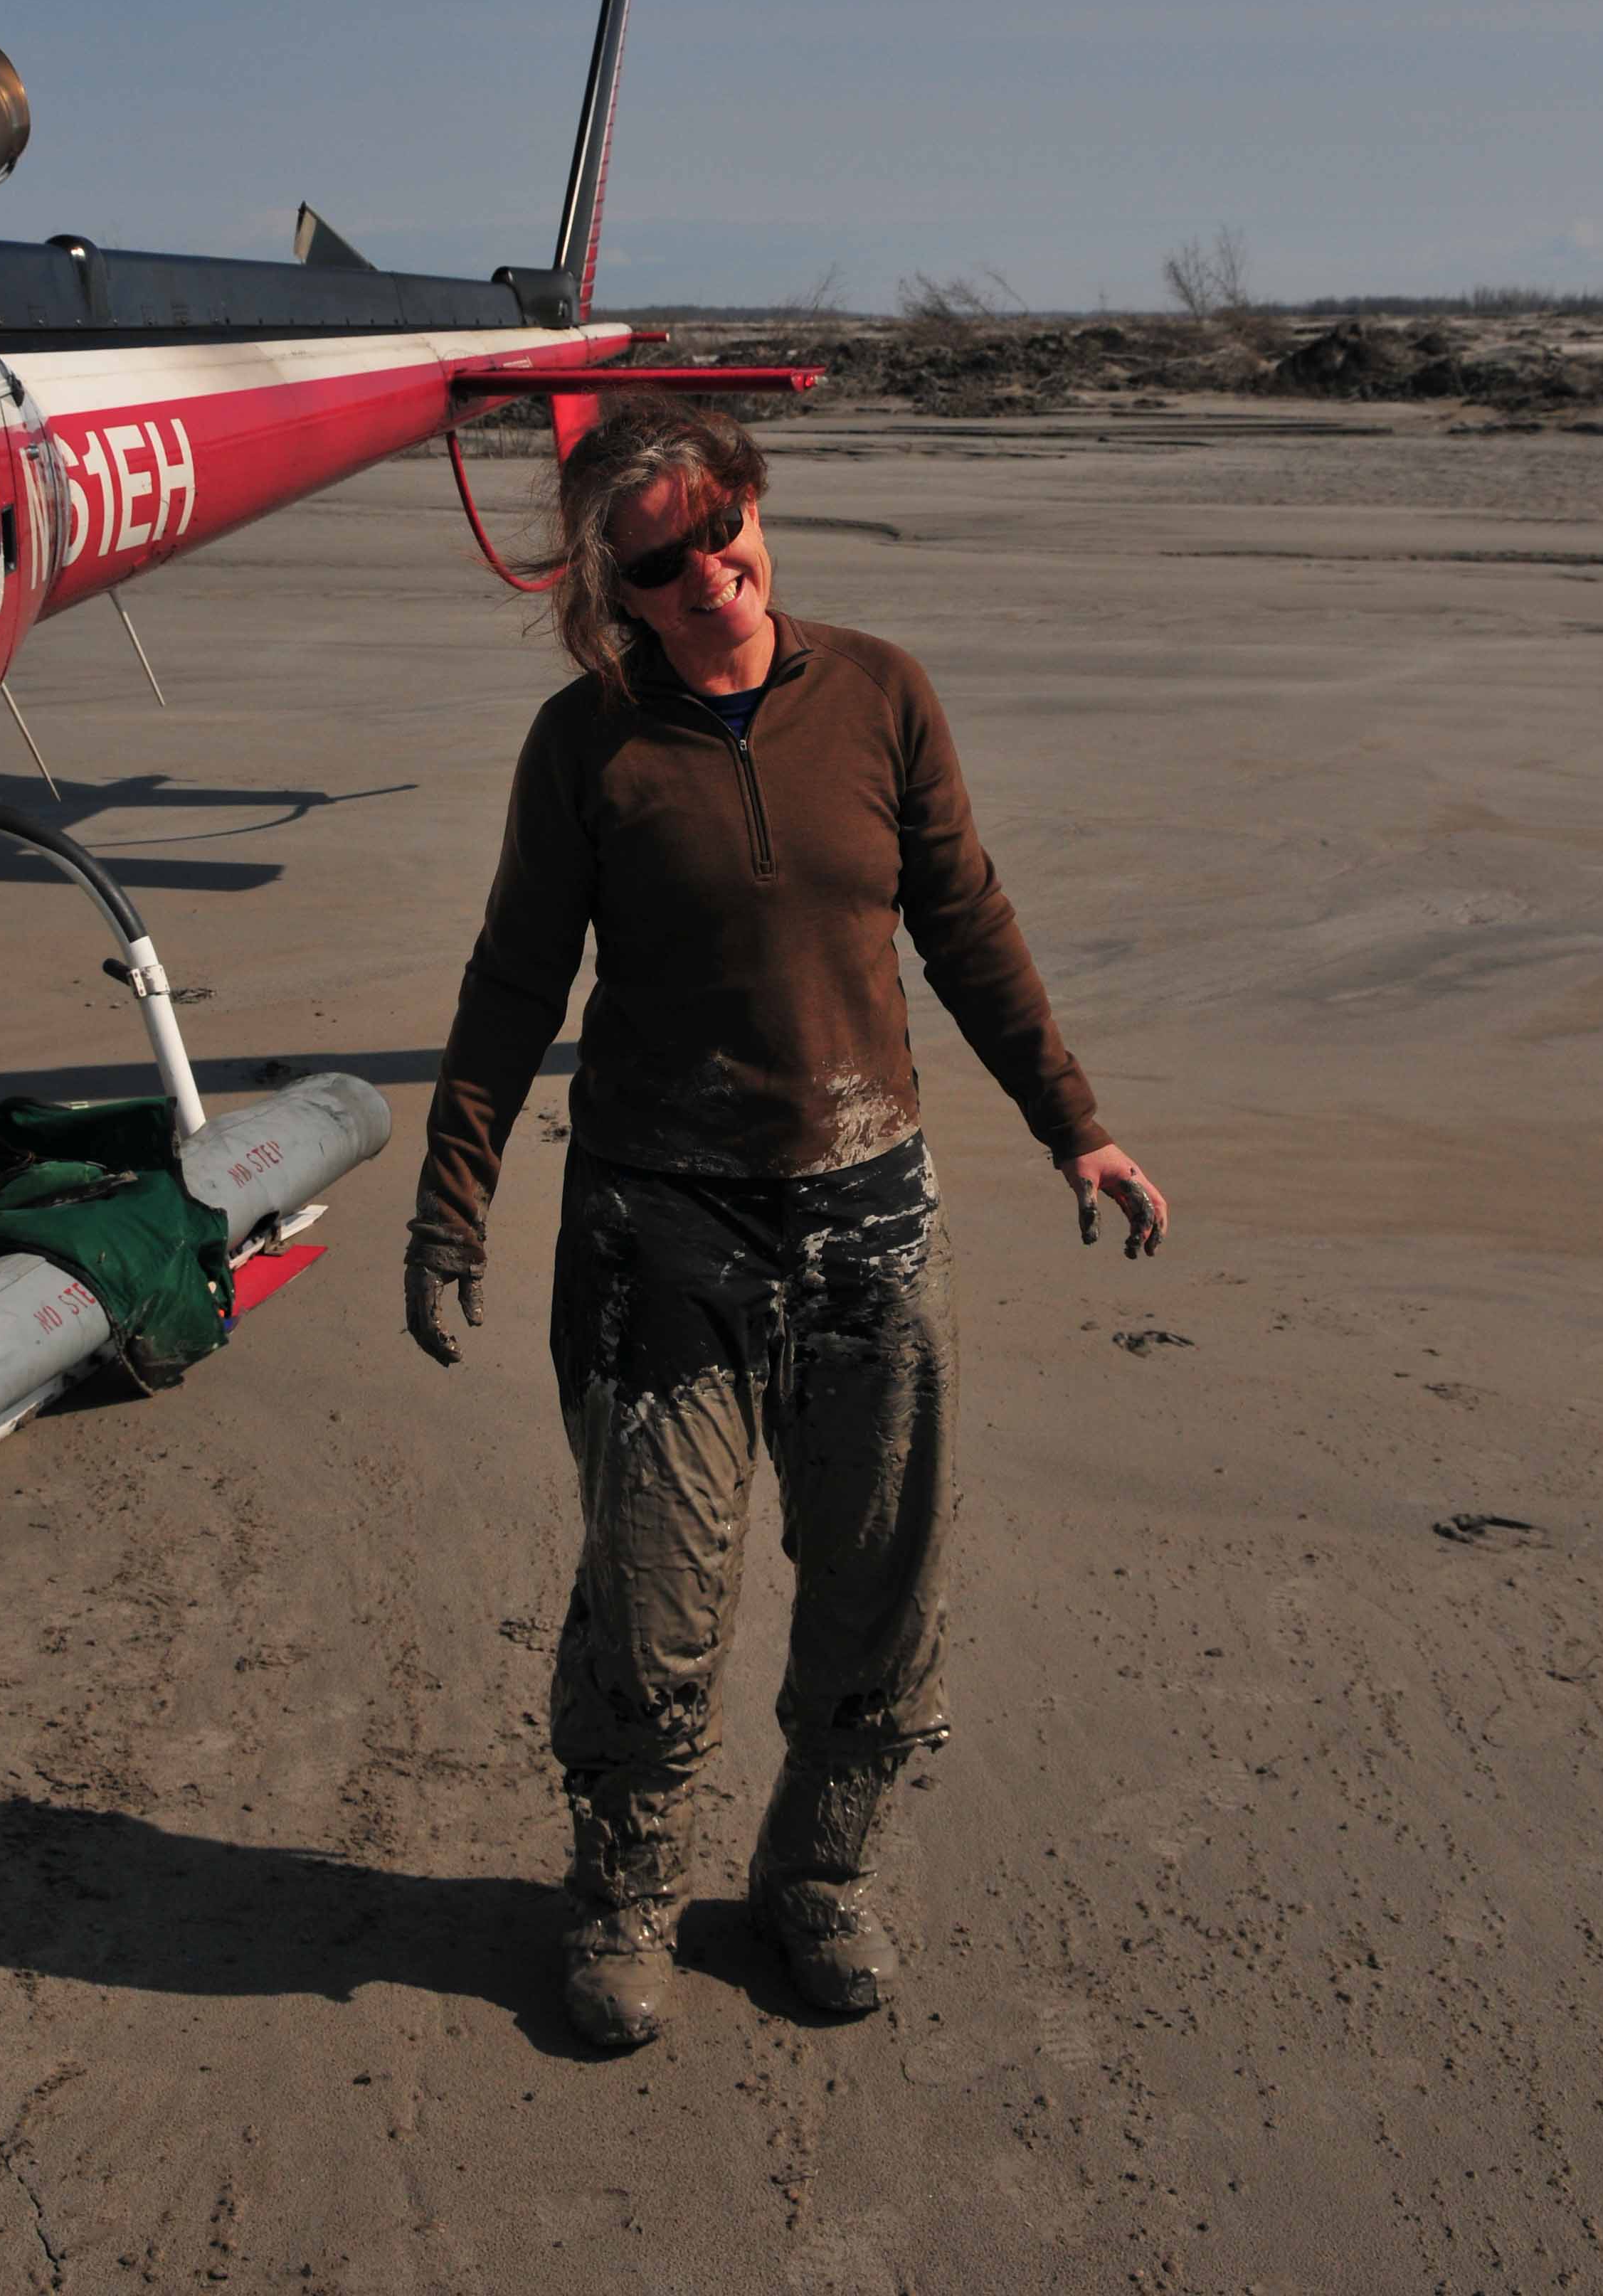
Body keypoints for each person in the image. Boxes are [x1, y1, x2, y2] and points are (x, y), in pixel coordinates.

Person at [404, 399, 1166, 2051]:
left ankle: (817, 1873)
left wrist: (1074, 1125)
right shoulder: (585, 743)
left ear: (756, 507)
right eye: (658, 559)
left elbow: (962, 920)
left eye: (719, 529)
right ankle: (620, 1889)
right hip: (652, 1236)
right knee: (654, 1600)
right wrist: (450, 1195)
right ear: (616, 585)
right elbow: (514, 978)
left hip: (869, 1218)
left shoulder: (879, 691)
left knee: (881, 1582)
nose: (706, 574)